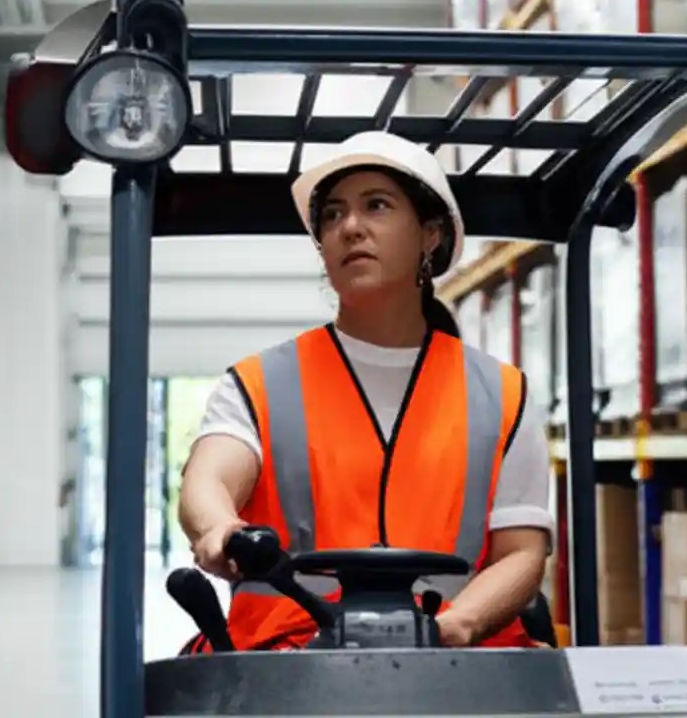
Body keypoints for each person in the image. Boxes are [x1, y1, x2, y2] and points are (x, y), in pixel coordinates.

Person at [177, 131, 555, 652]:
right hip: (287, 665)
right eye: (332, 216)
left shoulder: (503, 394)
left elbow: (521, 553)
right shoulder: (259, 383)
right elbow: (209, 475)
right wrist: (217, 527)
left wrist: (457, 625)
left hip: (457, 668)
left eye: (376, 206)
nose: (349, 227)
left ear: (429, 234)